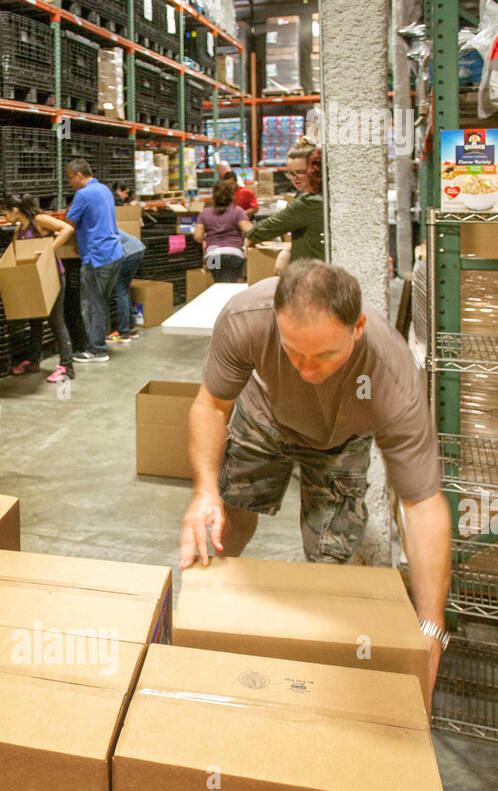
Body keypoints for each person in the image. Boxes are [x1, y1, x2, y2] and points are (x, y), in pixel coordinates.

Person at [178, 260, 452, 704]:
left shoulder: (391, 373)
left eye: (325, 355)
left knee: (330, 553)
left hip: (342, 439)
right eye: (294, 353)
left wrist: (430, 625)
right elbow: (211, 405)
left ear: (357, 328)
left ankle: (313, 659)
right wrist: (204, 491)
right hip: (265, 417)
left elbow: (421, 503)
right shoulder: (246, 317)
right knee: (231, 514)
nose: (307, 371)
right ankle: (207, 617)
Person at [50, 159, 123, 364]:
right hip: (114, 253)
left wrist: (49, 249)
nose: (69, 182)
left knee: (92, 304)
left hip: (96, 257)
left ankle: (96, 350)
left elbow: (67, 225)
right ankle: (99, 344)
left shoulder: (83, 194)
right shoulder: (105, 190)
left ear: (79, 175)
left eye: (70, 178)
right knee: (101, 302)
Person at [0, 193, 74, 383]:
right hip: (34, 279)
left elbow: (67, 229)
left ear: (15, 210)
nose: (5, 218)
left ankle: (67, 367)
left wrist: (49, 250)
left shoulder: (39, 220)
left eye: (5, 213)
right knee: (35, 321)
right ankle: (33, 361)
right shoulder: (19, 230)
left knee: (56, 321)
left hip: (52, 275)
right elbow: (13, 251)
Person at [247, 147, 325, 267]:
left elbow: (259, 231)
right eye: (290, 173)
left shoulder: (308, 203)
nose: (295, 178)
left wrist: (250, 237)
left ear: (315, 171)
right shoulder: (323, 197)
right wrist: (288, 249)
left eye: (301, 172)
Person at [192, 179, 252, 283]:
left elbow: (197, 236)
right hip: (233, 253)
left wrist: (207, 237)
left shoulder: (205, 213)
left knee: (218, 283)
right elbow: (249, 230)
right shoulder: (237, 211)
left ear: (214, 195)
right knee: (232, 284)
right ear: (231, 195)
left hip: (212, 254)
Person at [106, 227, 145, 345]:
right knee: (124, 291)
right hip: (137, 248)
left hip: (129, 253)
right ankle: (131, 328)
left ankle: (123, 332)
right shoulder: (105, 222)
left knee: (120, 292)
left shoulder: (96, 228)